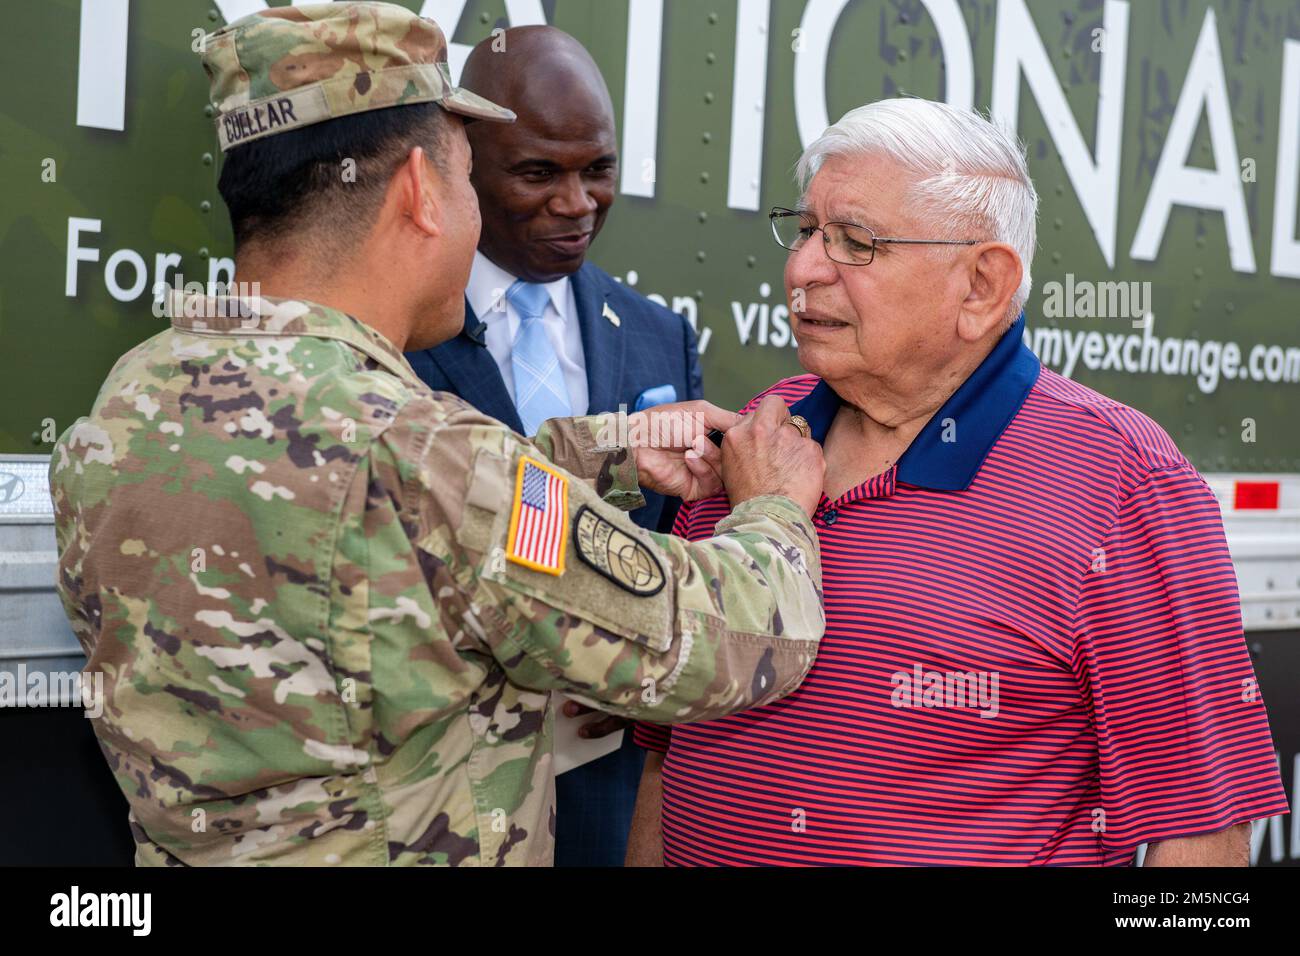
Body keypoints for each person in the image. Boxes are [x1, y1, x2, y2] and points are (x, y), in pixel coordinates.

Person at [47, 1, 828, 867]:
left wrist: (601, 452)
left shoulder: (133, 398)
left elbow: (382, 539)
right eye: (465, 180)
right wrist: (776, 511)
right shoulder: (420, 453)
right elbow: (732, 642)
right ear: (420, 190)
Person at [628, 98, 1289, 866]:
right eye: (806, 230)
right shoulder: (756, 443)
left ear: (981, 285)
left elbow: (1201, 829)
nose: (803, 270)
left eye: (855, 242)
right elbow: (668, 756)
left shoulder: (1124, 481)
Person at [404, 25, 701, 867]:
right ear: (460, 163)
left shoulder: (659, 337)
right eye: (538, 172)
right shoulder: (387, 328)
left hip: (606, 804)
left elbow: (684, 543)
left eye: (596, 170)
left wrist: (642, 681)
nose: (576, 203)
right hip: (441, 810)